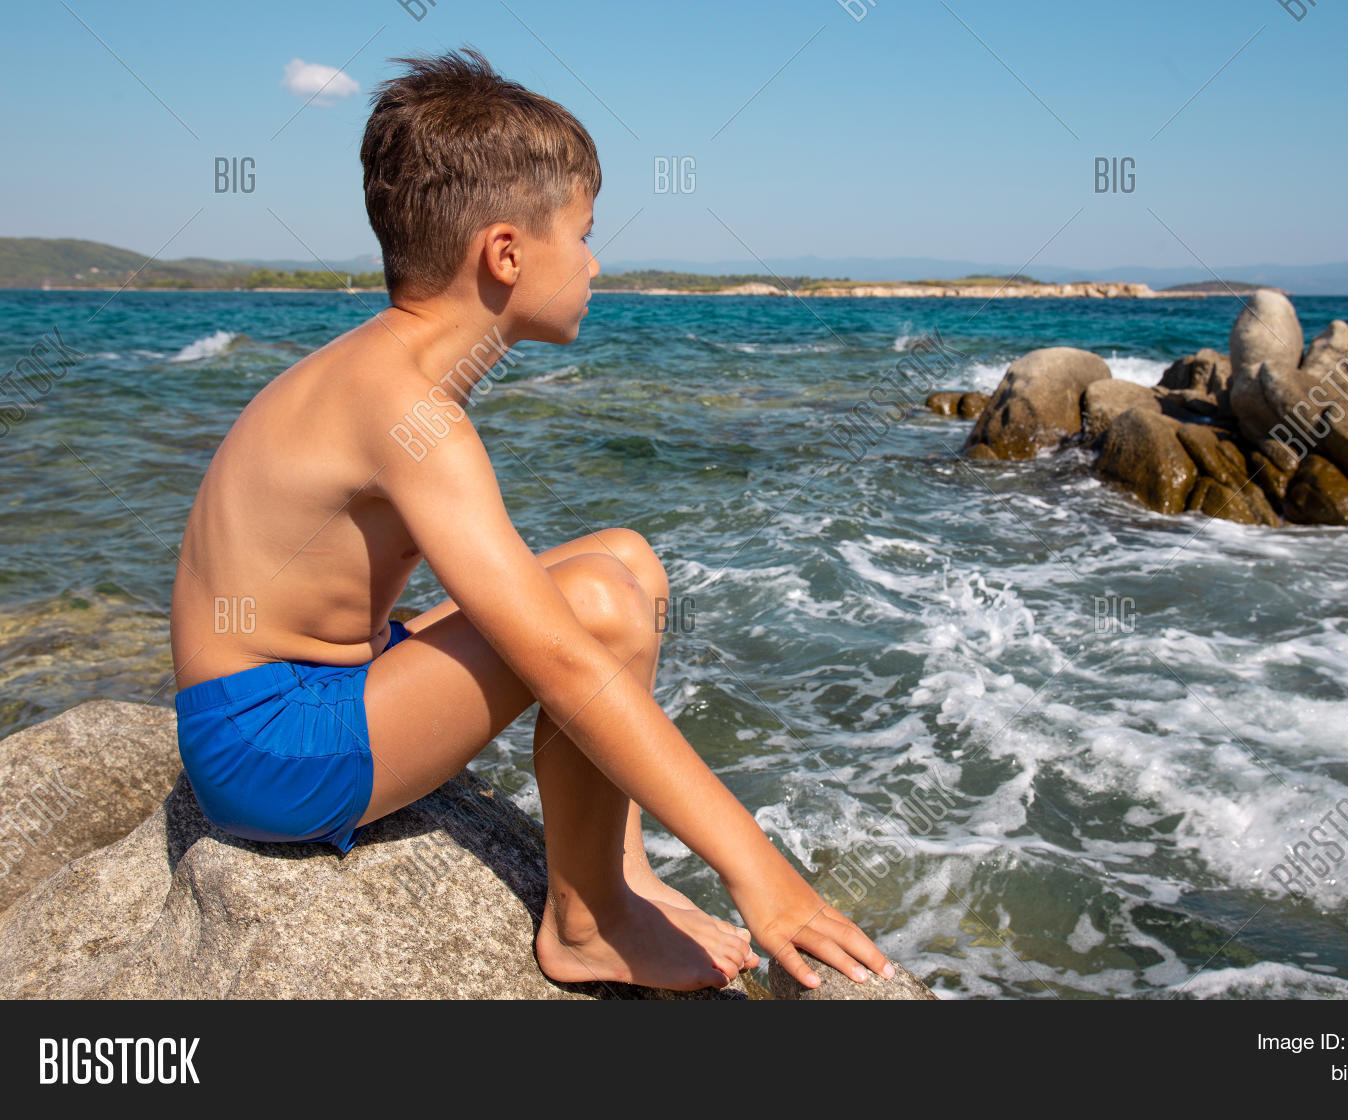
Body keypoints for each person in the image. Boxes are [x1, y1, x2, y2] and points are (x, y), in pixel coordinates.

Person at [169, 46, 892, 993]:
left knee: (625, 557)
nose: (597, 261)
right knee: (595, 607)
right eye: (585, 235)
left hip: (314, 677)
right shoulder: (410, 412)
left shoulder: (386, 372)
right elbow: (558, 657)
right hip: (269, 750)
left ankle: (616, 877)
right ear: (506, 253)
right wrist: (763, 877)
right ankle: (586, 927)